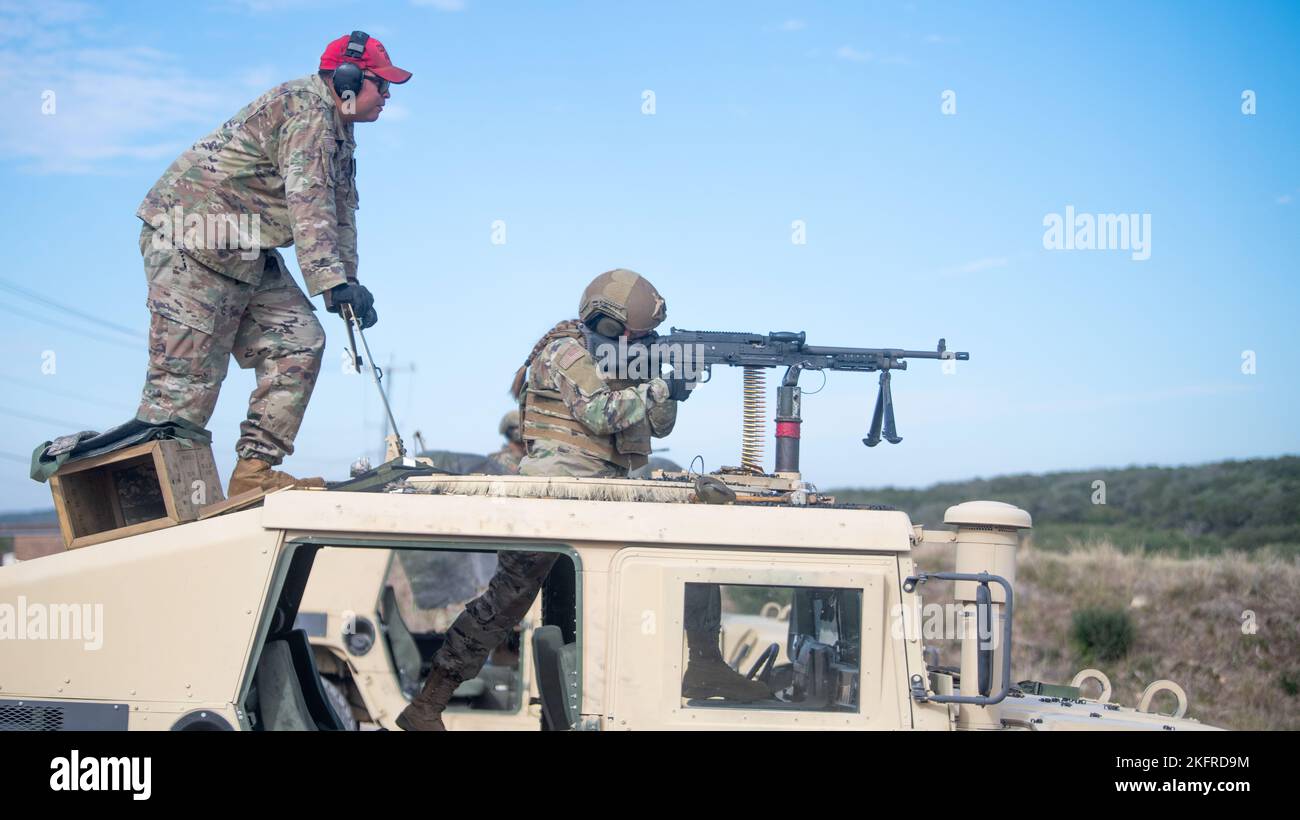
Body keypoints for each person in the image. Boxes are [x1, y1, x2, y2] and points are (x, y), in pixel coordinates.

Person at [396, 269, 766, 731]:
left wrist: (674, 388)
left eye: (641, 336)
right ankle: (428, 705)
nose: (631, 340)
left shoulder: (629, 358)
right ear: (599, 321)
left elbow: (659, 426)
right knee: (506, 601)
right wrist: (661, 386)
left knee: (687, 545)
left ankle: (706, 661)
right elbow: (601, 412)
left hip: (603, 492)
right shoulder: (564, 351)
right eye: (621, 333)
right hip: (553, 491)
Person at [132, 31, 411, 497]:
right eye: (380, 85)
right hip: (190, 238)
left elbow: (340, 212)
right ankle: (149, 504)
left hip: (244, 247)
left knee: (300, 342)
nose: (386, 96)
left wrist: (348, 283)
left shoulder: (340, 131)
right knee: (186, 386)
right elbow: (309, 202)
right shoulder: (307, 111)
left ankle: (253, 474)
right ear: (346, 80)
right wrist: (329, 280)